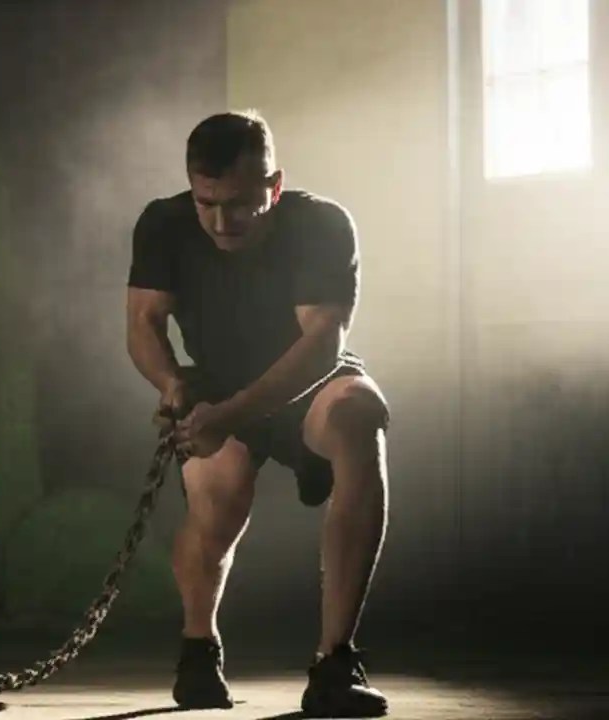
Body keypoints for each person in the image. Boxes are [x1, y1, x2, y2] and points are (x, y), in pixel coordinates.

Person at [125, 110, 391, 717]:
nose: (223, 223)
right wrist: (172, 384)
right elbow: (142, 323)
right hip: (217, 383)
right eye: (207, 204)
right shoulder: (163, 223)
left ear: (274, 186)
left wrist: (228, 415)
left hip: (308, 381)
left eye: (241, 204)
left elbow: (321, 343)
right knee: (214, 507)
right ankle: (198, 649)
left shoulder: (321, 224)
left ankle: (335, 663)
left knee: (360, 415)